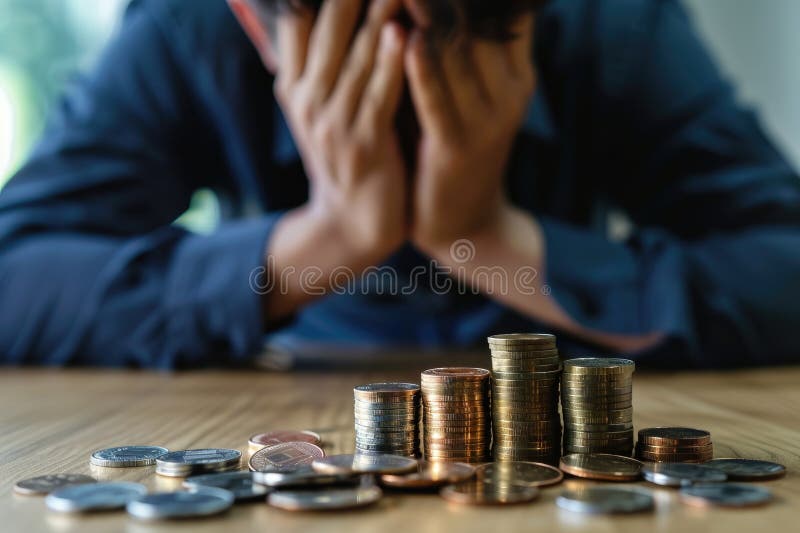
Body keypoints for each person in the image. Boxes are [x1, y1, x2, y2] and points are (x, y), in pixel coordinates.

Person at [0, 0, 798, 369]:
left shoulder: (614, 27)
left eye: (447, 49)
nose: (410, 100)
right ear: (253, 20)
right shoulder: (187, 32)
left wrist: (490, 239)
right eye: (357, 56)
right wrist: (324, 241)